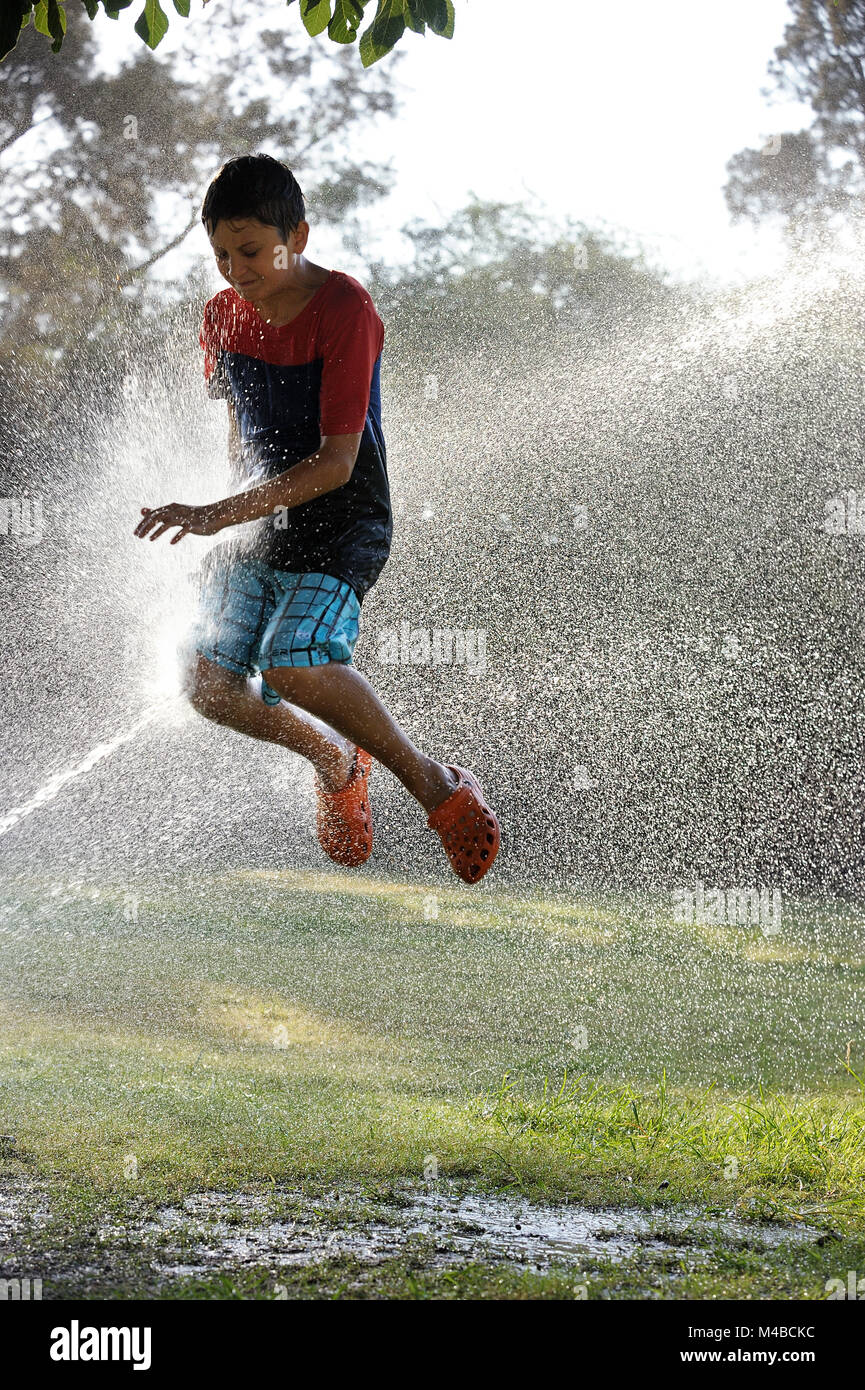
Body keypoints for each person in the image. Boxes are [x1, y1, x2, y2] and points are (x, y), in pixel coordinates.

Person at [134, 154, 500, 885]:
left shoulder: (346, 310)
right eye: (220, 254)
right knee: (206, 684)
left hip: (341, 523)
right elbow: (240, 433)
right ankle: (334, 761)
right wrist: (232, 522)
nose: (235, 270)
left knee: (293, 661)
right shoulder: (221, 317)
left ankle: (437, 786)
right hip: (259, 523)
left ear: (296, 235)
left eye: (250, 251)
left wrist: (214, 515)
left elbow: (335, 463)